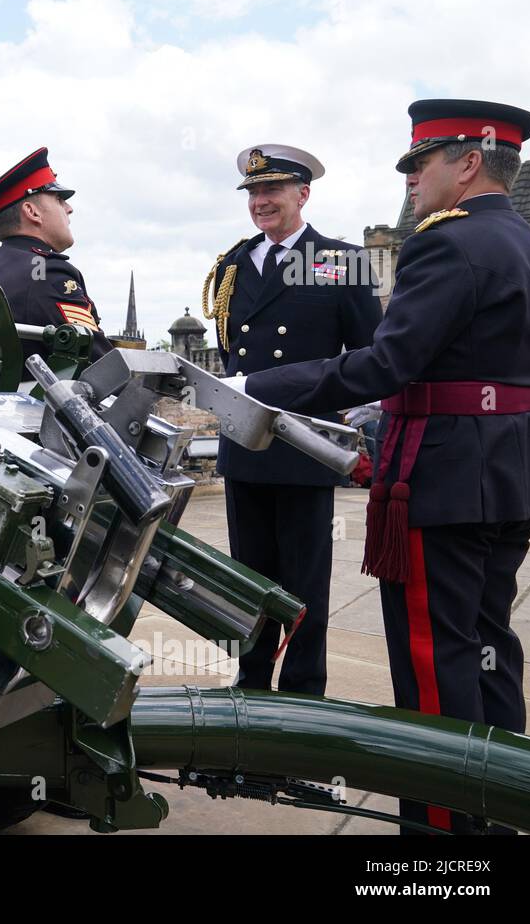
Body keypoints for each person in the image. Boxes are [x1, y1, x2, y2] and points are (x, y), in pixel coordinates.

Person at [241, 100, 530, 833]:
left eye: (420, 164)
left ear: (467, 163)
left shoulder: (448, 243)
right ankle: (504, 807)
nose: (409, 180)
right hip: (510, 470)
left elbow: (388, 361)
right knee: (489, 646)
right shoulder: (524, 240)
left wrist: (259, 388)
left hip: (442, 478)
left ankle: (442, 845)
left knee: (433, 662)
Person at [203, 144, 383, 696]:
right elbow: (232, 354)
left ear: (303, 194)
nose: (261, 201)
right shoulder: (233, 264)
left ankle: (305, 690)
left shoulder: (341, 259)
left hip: (307, 445)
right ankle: (251, 683)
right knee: (247, 578)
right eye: (254, 192)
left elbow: (370, 354)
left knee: (305, 585)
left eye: (272, 190)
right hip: (246, 443)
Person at [0, 148, 110, 371]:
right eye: (58, 199)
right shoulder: (48, 274)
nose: (69, 208)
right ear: (32, 212)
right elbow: (103, 366)